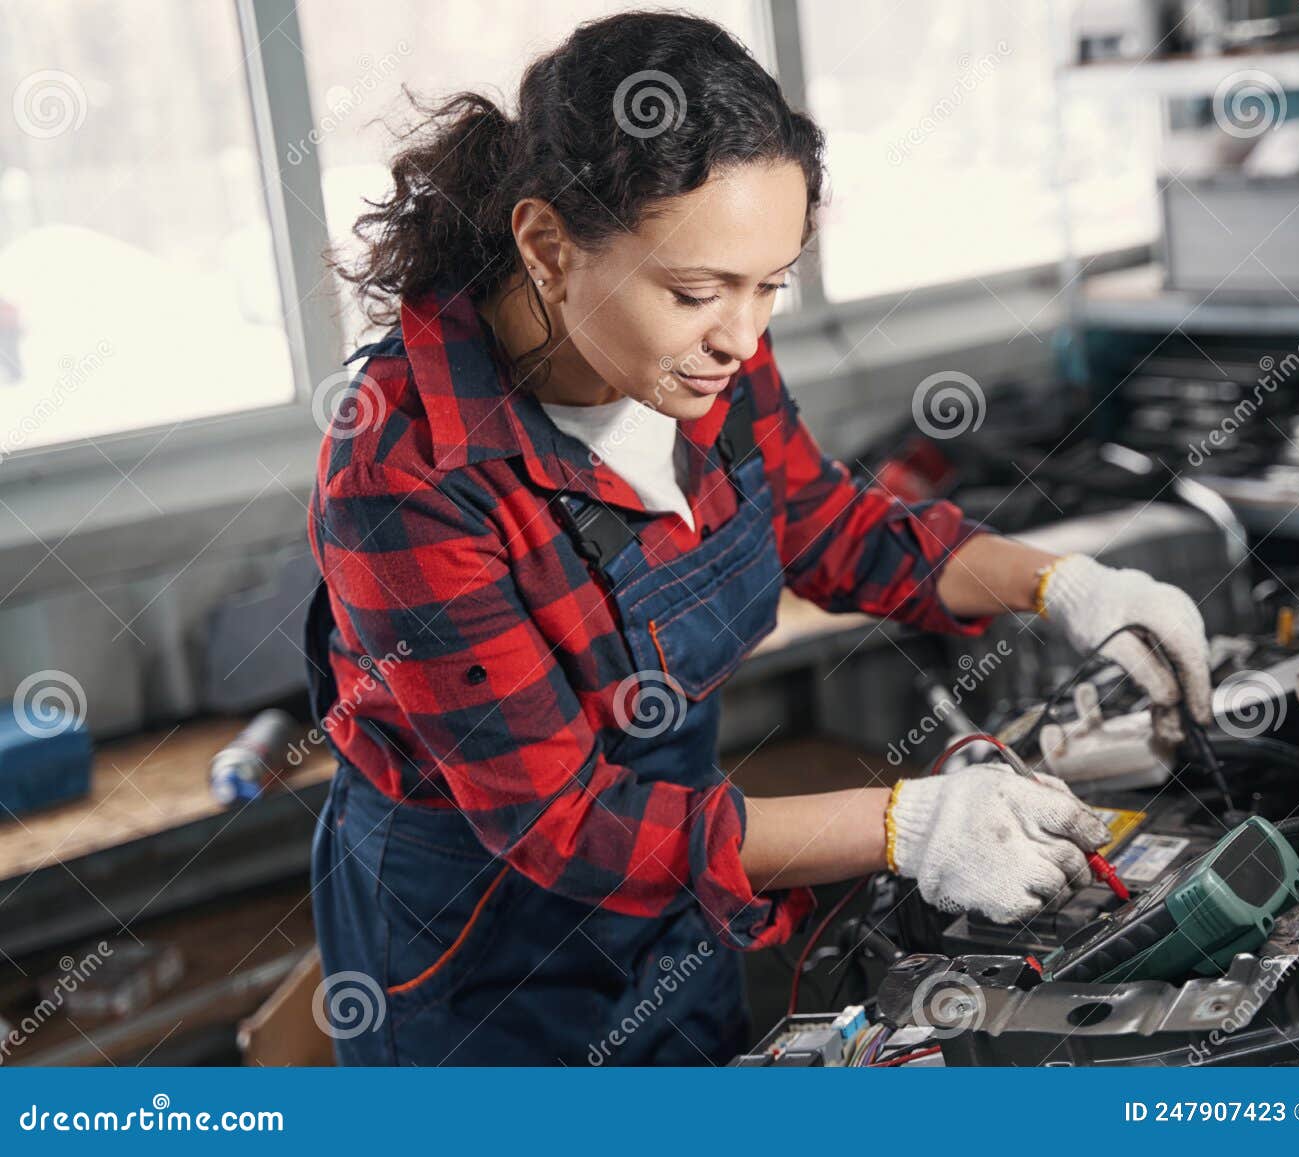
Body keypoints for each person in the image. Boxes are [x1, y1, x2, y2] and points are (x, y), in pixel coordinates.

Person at [304, 10, 1212, 1066]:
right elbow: (561, 822)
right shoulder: (403, 468)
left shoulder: (700, 353)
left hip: (685, 875)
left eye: (771, 284)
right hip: (478, 947)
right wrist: (906, 827)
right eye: (697, 291)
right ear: (548, 248)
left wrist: (1066, 586)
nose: (741, 334)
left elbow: (824, 521)